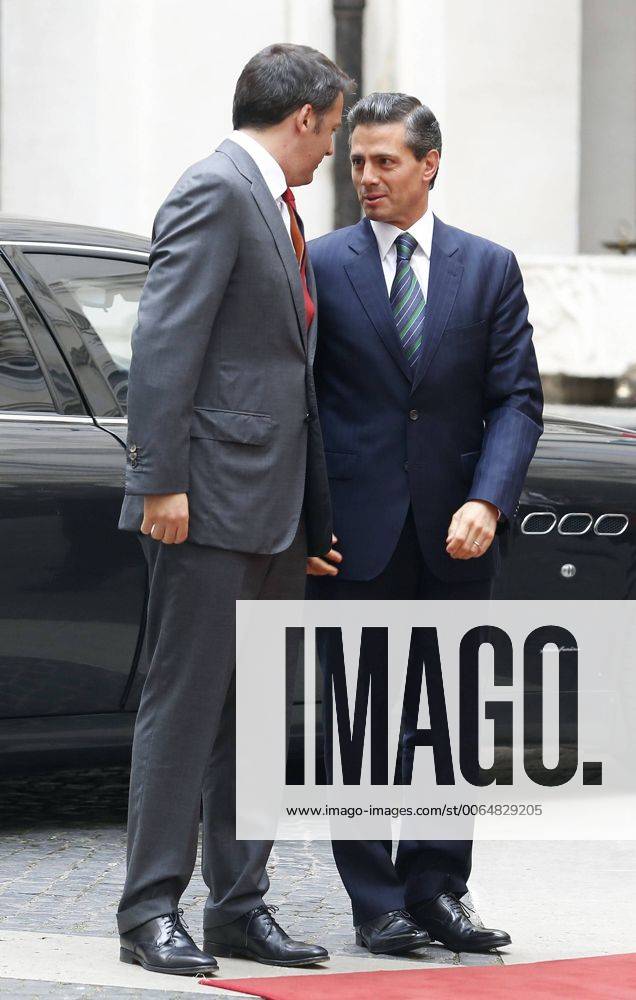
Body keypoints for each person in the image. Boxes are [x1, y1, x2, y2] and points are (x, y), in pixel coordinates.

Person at [116, 43, 352, 977]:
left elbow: (288, 379)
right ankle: (148, 911)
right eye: (333, 131)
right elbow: (164, 339)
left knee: (255, 719)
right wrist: (157, 480)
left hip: (275, 510)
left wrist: (312, 514)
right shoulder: (217, 189)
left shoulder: (276, 206)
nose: (332, 150)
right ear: (304, 118)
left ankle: (238, 908)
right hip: (206, 503)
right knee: (183, 710)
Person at [307, 92, 543, 956]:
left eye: (383, 162)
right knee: (362, 720)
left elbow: (516, 398)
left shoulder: (489, 267)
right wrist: (308, 522)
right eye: (357, 161)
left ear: (428, 164)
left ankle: (440, 888)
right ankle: (377, 902)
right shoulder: (322, 264)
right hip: (351, 536)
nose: (365, 176)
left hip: (457, 535)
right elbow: (301, 404)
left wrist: (489, 497)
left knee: (456, 722)